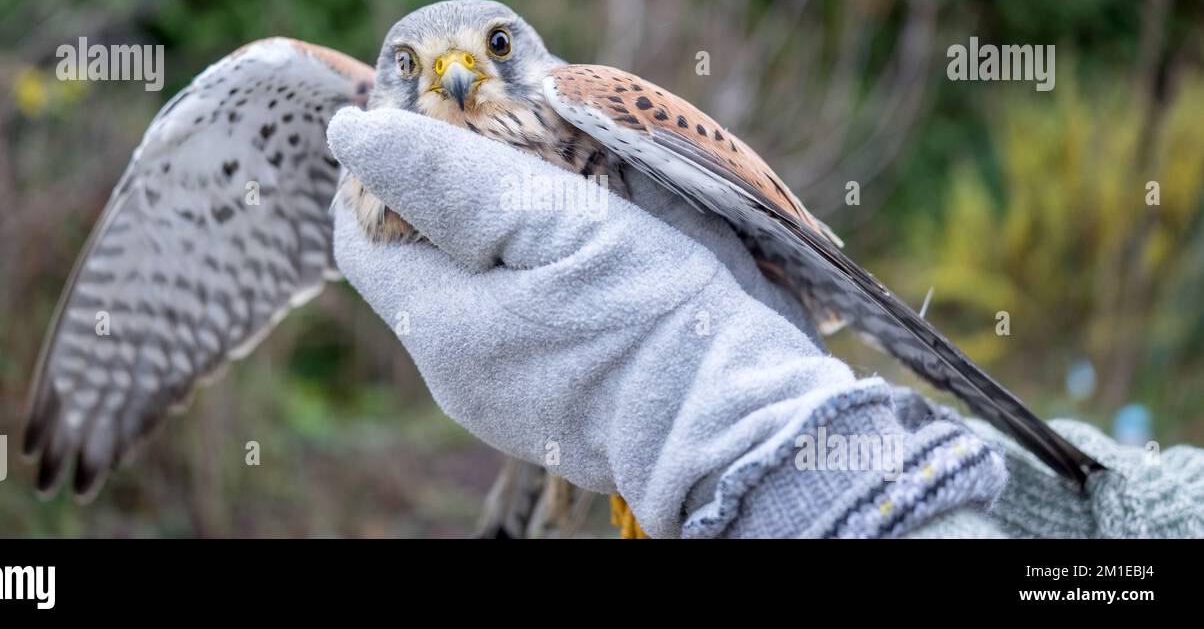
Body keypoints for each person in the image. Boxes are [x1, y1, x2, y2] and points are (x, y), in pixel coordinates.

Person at [326, 107, 1204, 539]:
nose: (455, 80)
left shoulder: (585, 102)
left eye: (493, 47)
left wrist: (766, 447)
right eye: (419, 66)